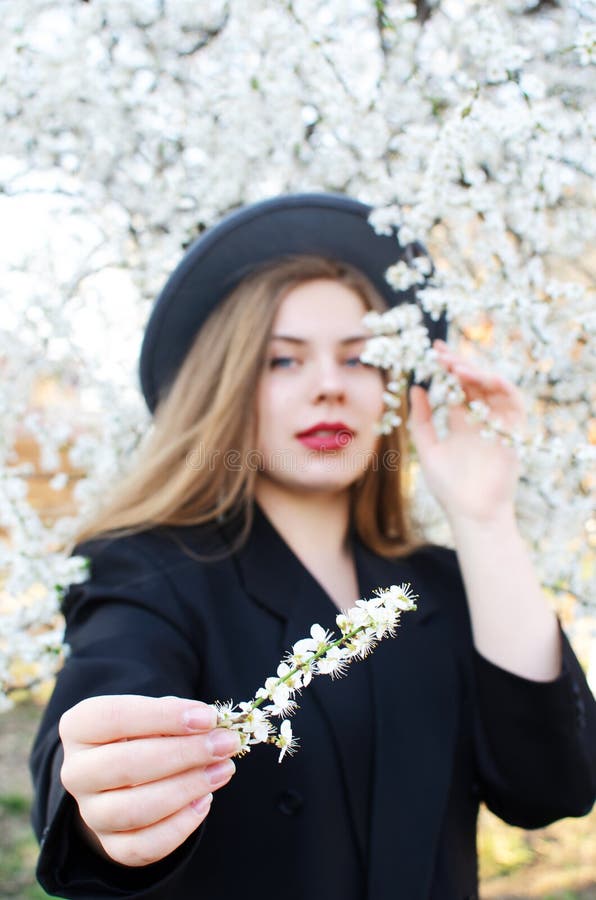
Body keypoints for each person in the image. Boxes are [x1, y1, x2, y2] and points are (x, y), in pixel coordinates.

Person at [30, 194, 595, 900]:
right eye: (283, 362)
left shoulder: (443, 585)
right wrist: (100, 796)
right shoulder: (149, 572)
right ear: (227, 386)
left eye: (360, 360)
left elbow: (553, 785)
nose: (330, 386)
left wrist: (485, 517)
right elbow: (97, 723)